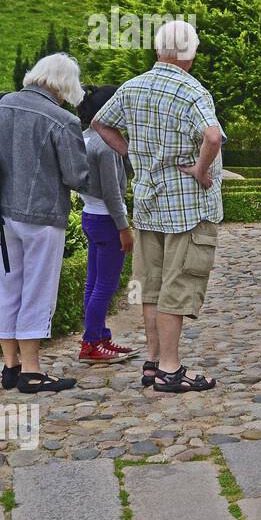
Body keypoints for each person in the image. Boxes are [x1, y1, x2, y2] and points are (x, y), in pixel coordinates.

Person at [91, 20, 222, 393]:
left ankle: (152, 362)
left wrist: (133, 154)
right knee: (178, 286)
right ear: (191, 55)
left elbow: (101, 122)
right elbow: (211, 136)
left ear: (158, 49)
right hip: (187, 206)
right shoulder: (193, 91)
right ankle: (170, 368)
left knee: (150, 285)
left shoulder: (133, 87)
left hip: (148, 203)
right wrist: (200, 168)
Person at [0, 53, 89, 393]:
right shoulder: (62, 119)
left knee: (6, 288)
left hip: (1, 214)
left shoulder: (2, 106)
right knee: (36, 290)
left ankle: (10, 367)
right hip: (42, 216)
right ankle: (32, 372)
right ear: (64, 85)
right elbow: (77, 175)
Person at [76, 85, 137, 363]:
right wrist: (123, 227)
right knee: (106, 286)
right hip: (107, 219)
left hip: (90, 214)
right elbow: (113, 193)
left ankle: (98, 336)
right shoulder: (106, 144)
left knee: (93, 282)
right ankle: (91, 343)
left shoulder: (83, 138)